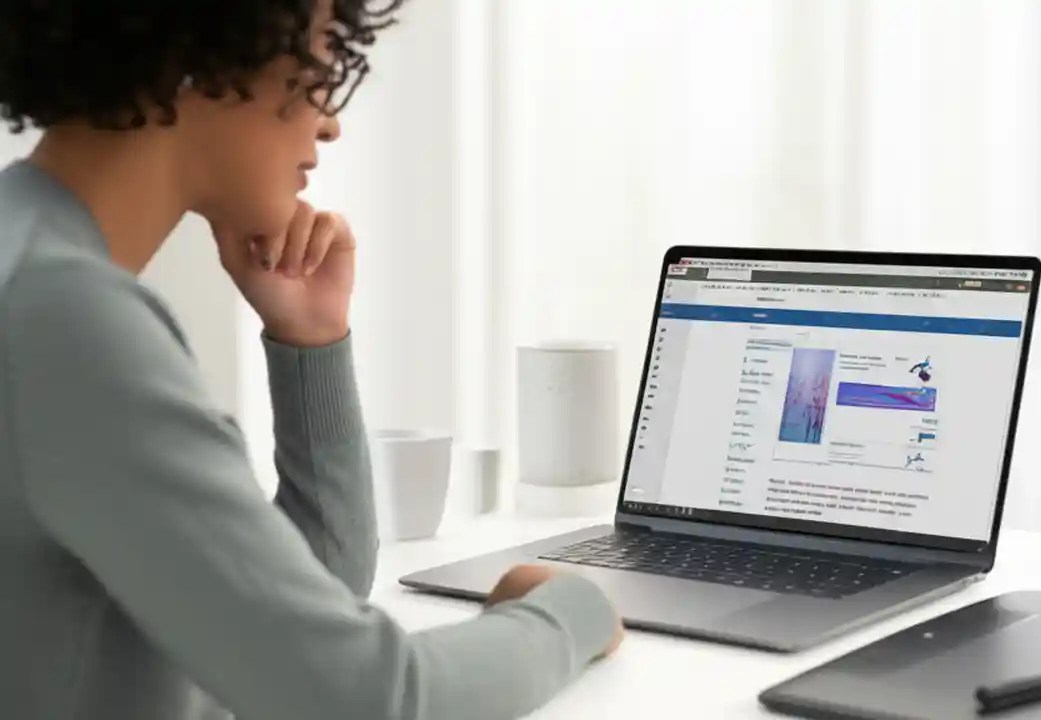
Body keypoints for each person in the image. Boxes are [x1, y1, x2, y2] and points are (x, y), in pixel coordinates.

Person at [0, 2, 623, 718]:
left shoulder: (29, 267)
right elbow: (369, 699)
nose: (329, 121)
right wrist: (571, 609)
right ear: (207, 51)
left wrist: (312, 341)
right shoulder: (66, 319)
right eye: (322, 62)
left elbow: (304, 613)